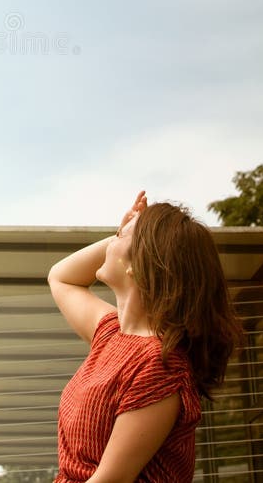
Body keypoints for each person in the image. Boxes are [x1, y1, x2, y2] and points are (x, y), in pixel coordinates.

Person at [47, 191, 242, 483]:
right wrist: (127, 234)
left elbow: (111, 480)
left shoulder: (158, 366)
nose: (112, 241)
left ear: (137, 266)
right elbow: (60, 277)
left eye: (119, 237)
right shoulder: (110, 334)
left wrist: (136, 236)